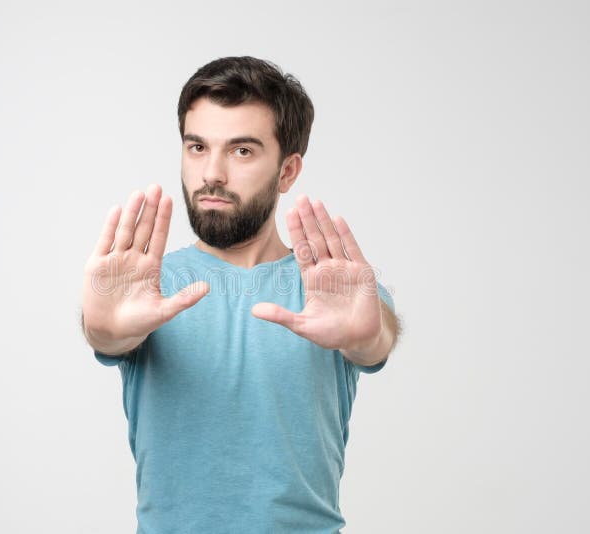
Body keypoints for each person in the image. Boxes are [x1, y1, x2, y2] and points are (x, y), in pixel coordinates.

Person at [81, 56, 402, 533]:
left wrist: (367, 337)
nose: (212, 173)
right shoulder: (146, 288)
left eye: (242, 151)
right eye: (196, 147)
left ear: (288, 171)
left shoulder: (331, 285)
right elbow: (109, 335)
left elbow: (375, 338)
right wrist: (103, 332)